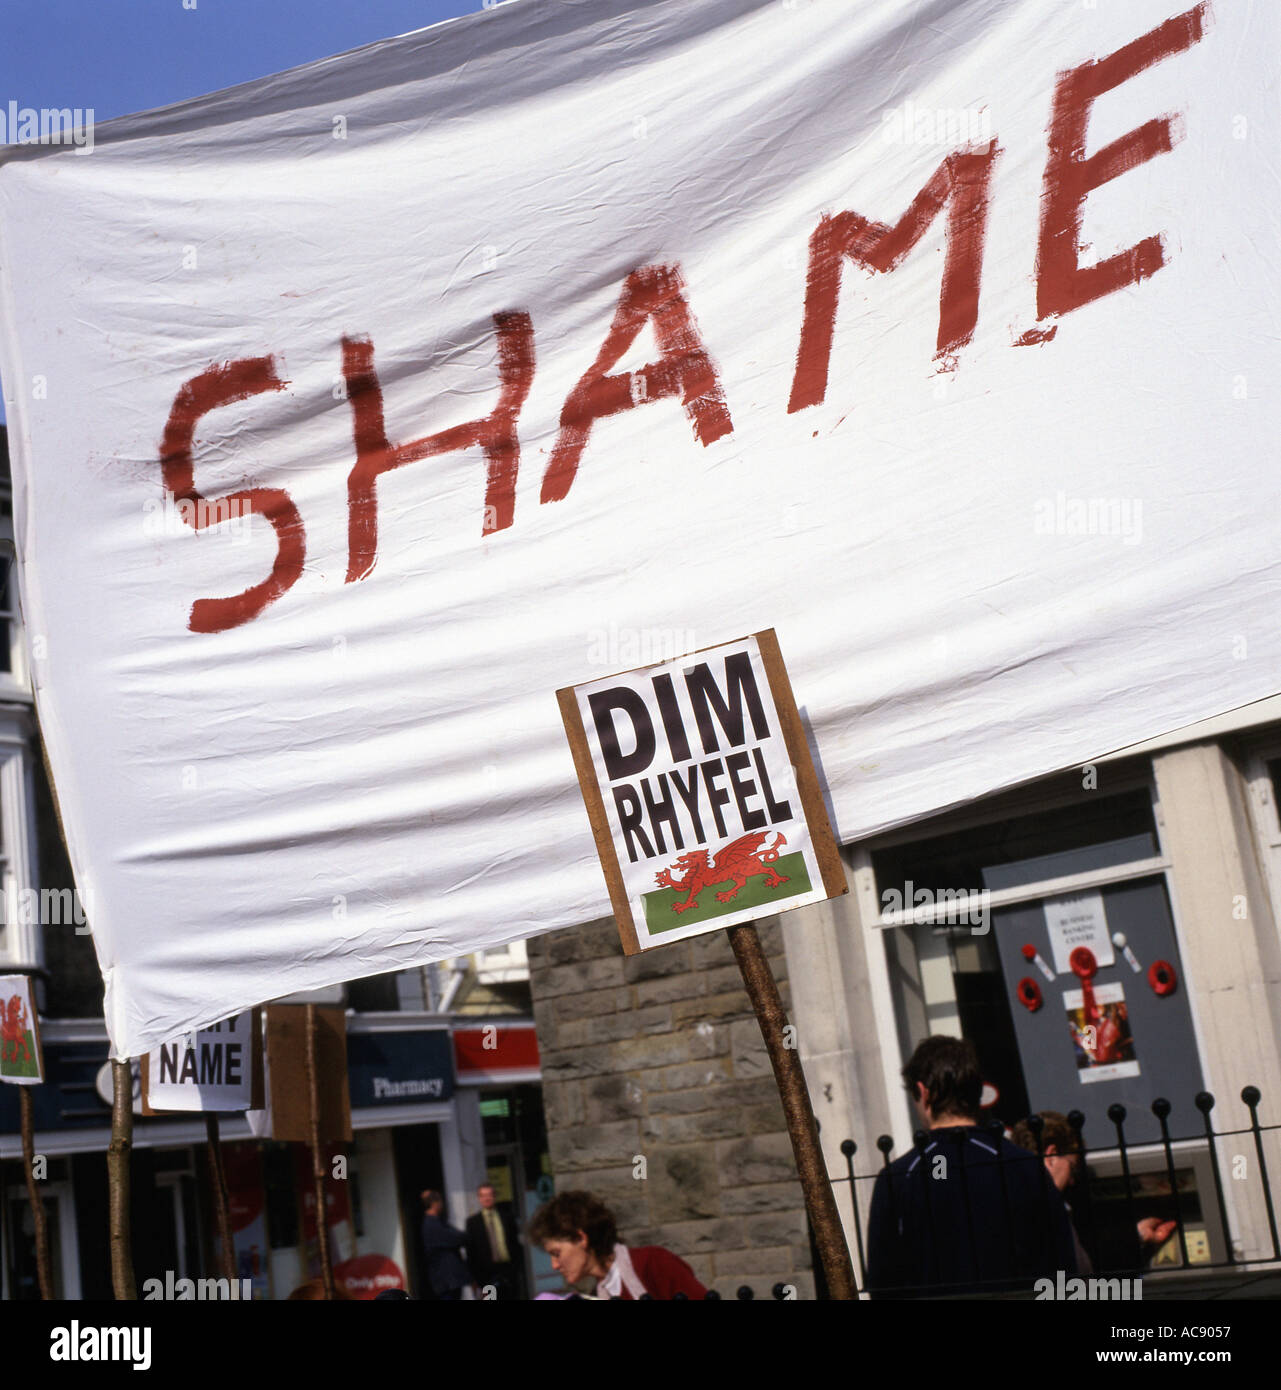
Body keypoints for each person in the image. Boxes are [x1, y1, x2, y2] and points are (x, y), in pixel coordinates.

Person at [865, 1035, 1077, 1298]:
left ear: (924, 1093)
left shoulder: (898, 1179)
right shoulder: (1023, 1166)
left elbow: (883, 1284)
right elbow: (1061, 1270)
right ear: (976, 1091)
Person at [1009, 1110, 1177, 1273]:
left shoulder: (1012, 1195)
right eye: (1073, 1168)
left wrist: (1138, 1235)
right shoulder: (1035, 1211)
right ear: (1052, 1155)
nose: (1072, 1181)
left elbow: (1088, 1249)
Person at [528, 1190, 706, 1300]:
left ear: (581, 1238)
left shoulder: (654, 1263)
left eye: (556, 1253)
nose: (554, 1265)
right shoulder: (597, 1295)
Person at [465, 1182, 524, 1301]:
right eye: (483, 1195)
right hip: (487, 1274)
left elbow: (515, 1243)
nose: (487, 1198)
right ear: (479, 1198)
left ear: (494, 1196)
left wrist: (516, 1268)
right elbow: (471, 1252)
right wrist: (476, 1279)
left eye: (490, 1195)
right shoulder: (473, 1222)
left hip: (508, 1271)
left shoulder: (506, 1217)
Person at [419, 1189, 470, 1301]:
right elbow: (457, 1238)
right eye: (440, 1201)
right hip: (446, 1281)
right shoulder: (432, 1224)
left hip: (449, 1280)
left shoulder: (437, 1222)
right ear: (435, 1204)